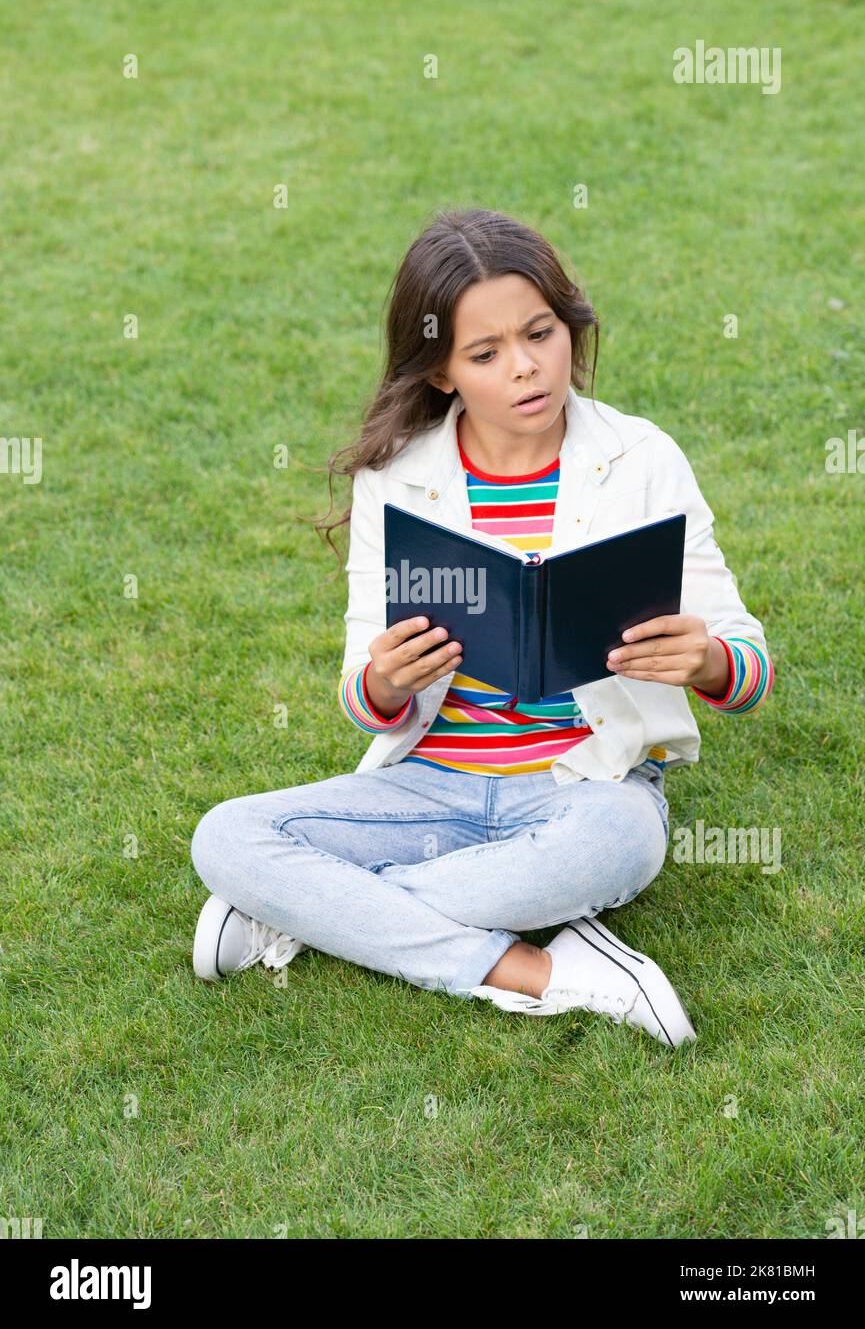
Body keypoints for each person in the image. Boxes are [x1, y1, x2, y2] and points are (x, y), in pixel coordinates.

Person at [190, 208, 774, 1048]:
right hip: (429, 785)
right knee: (228, 833)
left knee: (617, 848)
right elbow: (365, 693)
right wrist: (386, 680)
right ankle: (548, 971)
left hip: (585, 790)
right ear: (439, 373)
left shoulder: (642, 459)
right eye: (485, 354)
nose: (527, 368)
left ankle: (306, 912)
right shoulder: (395, 482)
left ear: (569, 325)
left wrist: (711, 661)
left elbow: (746, 662)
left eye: (540, 333)